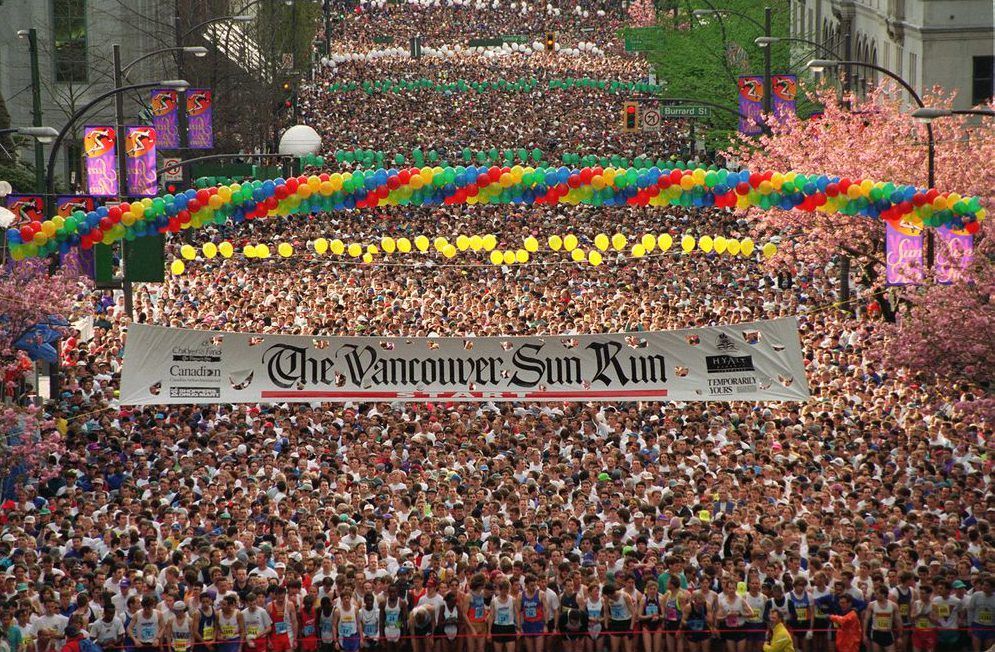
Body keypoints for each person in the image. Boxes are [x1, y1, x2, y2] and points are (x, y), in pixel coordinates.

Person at [716, 580, 754, 652]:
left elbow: (751, 613)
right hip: (729, 629)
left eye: (733, 588)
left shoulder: (741, 600)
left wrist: (740, 614)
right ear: (727, 589)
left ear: (736, 589)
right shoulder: (723, 602)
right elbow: (718, 617)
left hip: (740, 628)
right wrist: (726, 616)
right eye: (730, 588)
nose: (731, 590)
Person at [866, 586, 899, 652]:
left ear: (883, 594)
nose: (875, 595)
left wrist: (900, 636)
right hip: (876, 633)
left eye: (877, 594)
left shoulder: (893, 605)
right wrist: (864, 634)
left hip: (888, 634)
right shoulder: (871, 605)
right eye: (875, 593)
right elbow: (866, 620)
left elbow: (898, 621)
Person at [488, 579, 518, 652]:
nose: (505, 592)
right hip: (498, 628)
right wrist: (489, 632)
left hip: (510, 627)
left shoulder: (513, 600)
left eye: (507, 590)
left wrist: (518, 628)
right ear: (500, 590)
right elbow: (491, 616)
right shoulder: (494, 601)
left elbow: (517, 615)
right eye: (504, 590)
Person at [520, 575, 547, 652]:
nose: (534, 587)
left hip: (538, 624)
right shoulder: (520, 596)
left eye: (535, 585)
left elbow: (546, 610)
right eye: (532, 585)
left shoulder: (541, 594)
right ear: (526, 585)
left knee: (539, 650)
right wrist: (520, 627)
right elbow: (518, 612)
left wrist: (545, 625)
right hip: (527, 624)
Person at [967, 576, 995, 652]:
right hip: (977, 625)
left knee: (988, 649)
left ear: (993, 588)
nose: (984, 587)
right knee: (976, 649)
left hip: (991, 627)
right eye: (983, 585)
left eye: (987, 585)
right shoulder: (976, 595)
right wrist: (969, 625)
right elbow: (970, 610)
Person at [911, 586, 939, 652]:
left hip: (930, 631)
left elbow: (936, 621)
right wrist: (919, 614)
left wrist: (928, 616)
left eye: (923, 593)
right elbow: (912, 617)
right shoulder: (916, 603)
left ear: (929, 594)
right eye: (920, 593)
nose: (921, 595)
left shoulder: (934, 605)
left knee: (930, 650)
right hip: (918, 631)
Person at [379, 585, 406, 652]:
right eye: (390, 592)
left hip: (397, 629)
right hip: (387, 629)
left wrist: (404, 638)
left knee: (398, 649)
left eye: (394, 592)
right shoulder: (383, 603)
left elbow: (404, 620)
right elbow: (381, 621)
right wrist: (382, 638)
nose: (392, 594)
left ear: (398, 592)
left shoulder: (402, 602)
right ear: (388, 592)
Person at [639, 580, 664, 652]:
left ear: (657, 590)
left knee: (657, 649)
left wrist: (658, 616)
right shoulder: (643, 600)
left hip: (657, 625)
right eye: (650, 589)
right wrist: (651, 616)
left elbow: (664, 615)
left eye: (654, 589)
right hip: (646, 625)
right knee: (648, 650)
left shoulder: (660, 599)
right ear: (647, 589)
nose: (652, 591)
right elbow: (639, 616)